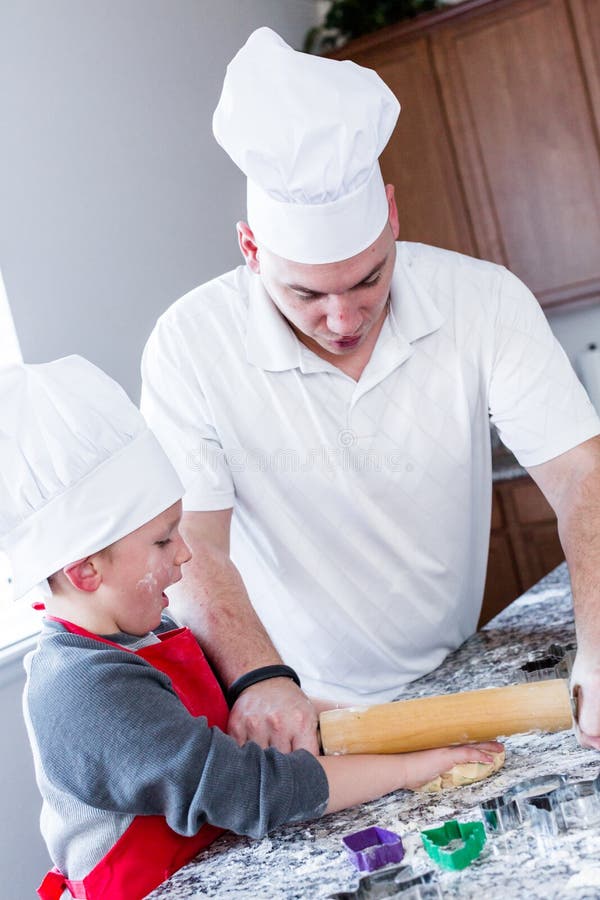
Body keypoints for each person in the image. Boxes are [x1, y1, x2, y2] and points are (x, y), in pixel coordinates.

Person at [141, 27, 600, 756]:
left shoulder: (483, 301)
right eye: (307, 294)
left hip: (460, 670)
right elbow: (194, 539)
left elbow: (580, 474)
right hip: (308, 707)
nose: (345, 319)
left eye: (368, 279)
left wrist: (599, 646)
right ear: (251, 249)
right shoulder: (190, 345)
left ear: (391, 215)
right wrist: (260, 677)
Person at [1, 356, 501, 900]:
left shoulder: (148, 631)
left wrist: (411, 727)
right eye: (163, 540)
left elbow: (278, 722)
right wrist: (408, 769)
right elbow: (252, 788)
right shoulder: (81, 690)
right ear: (85, 572)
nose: (185, 553)